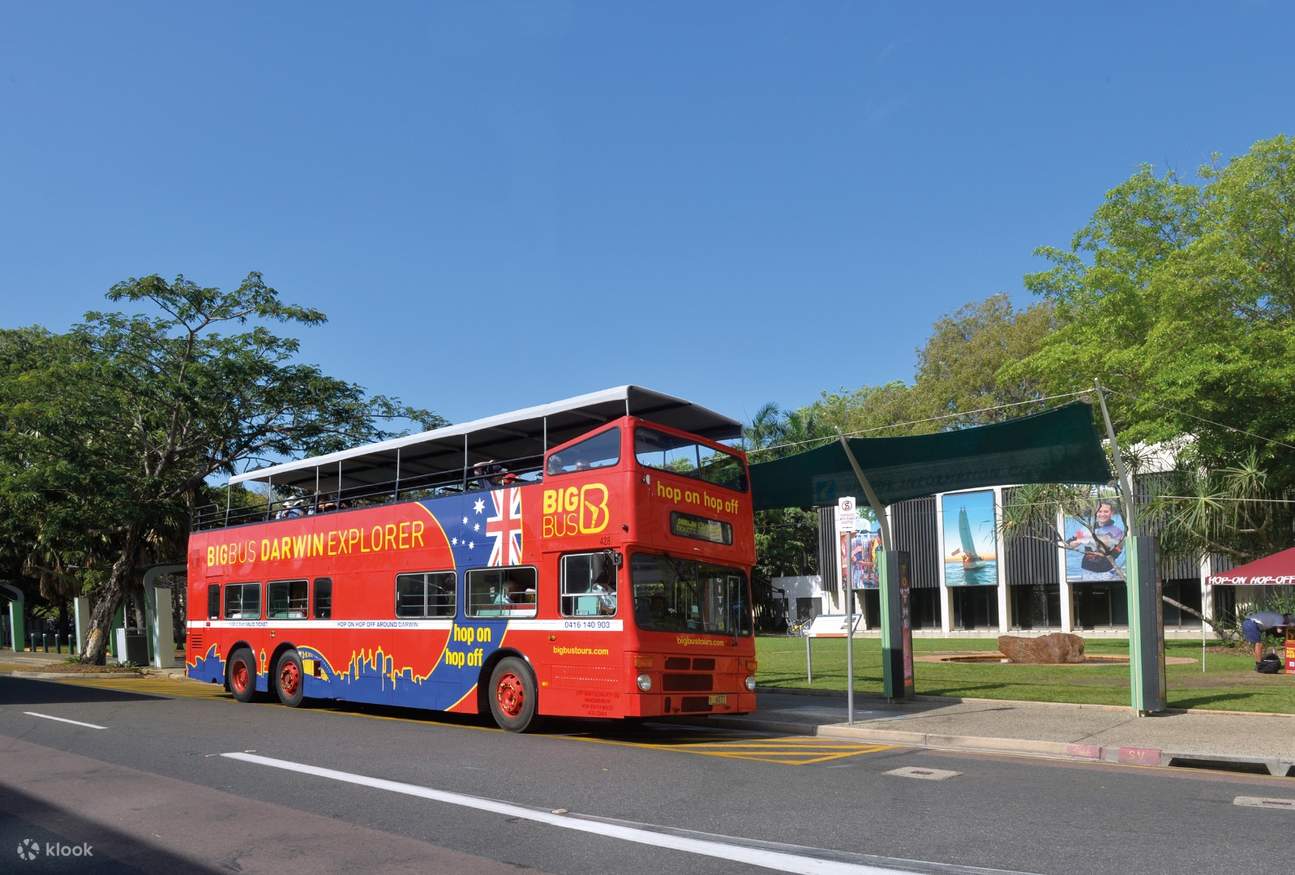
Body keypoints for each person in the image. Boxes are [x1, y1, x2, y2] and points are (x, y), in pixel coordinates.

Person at [1067, 501, 1126, 577]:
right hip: (1087, 570)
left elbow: (1117, 553)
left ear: (1112, 513)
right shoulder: (1086, 529)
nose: (1102, 514)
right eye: (1100, 511)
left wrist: (1104, 547)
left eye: (1106, 511)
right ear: (1096, 512)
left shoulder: (1117, 532)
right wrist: (1077, 542)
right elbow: (1069, 543)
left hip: (1107, 571)